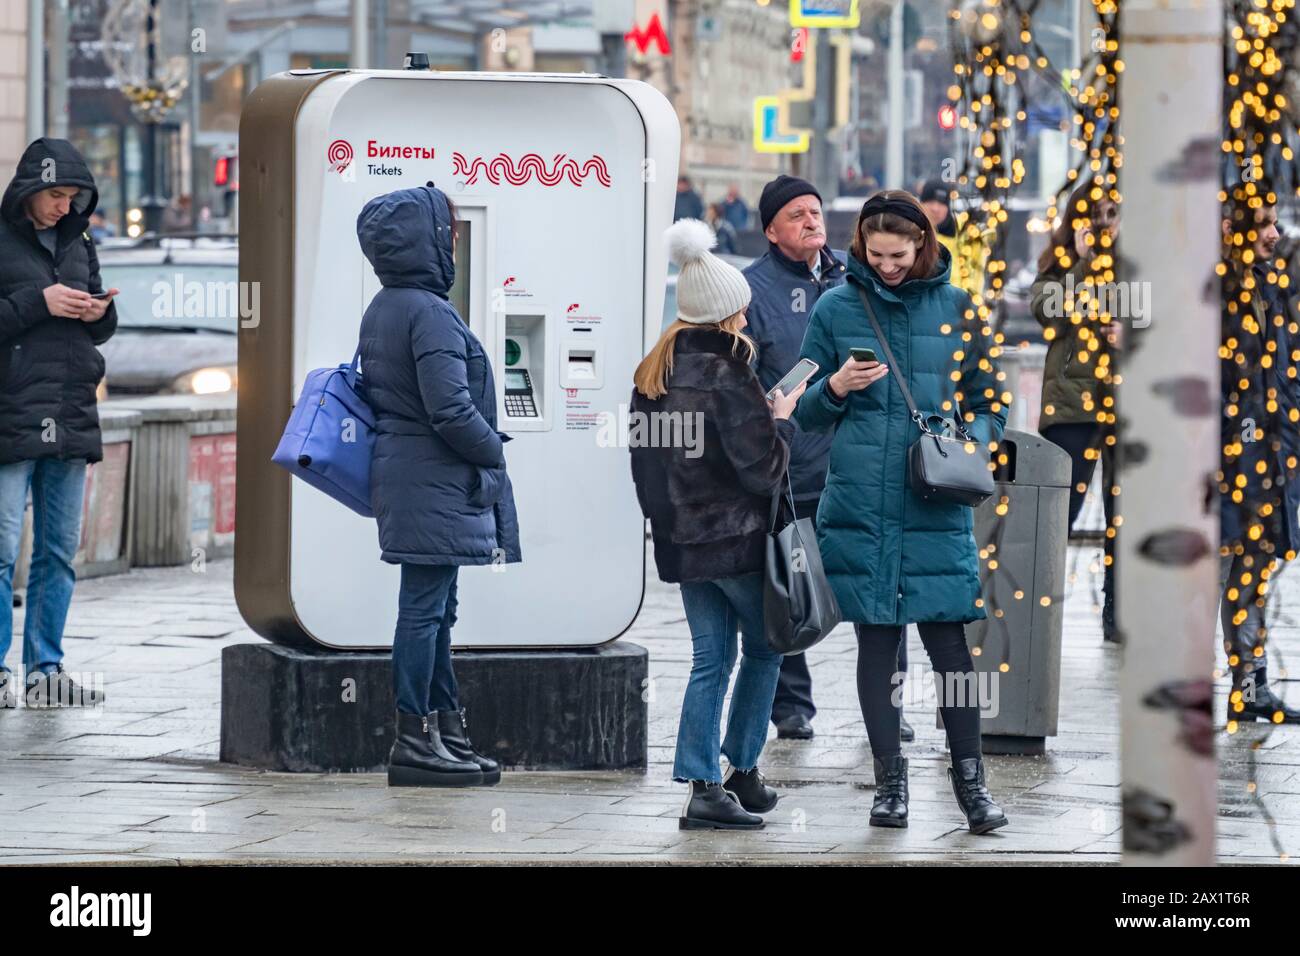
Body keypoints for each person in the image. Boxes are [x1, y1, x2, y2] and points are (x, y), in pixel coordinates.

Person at [794, 190, 1009, 833]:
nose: (886, 264)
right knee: (877, 646)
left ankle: (971, 783)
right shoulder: (836, 307)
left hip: (935, 499)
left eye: (899, 253)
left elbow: (990, 398)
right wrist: (834, 388)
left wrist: (968, 441)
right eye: (875, 253)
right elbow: (799, 410)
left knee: (950, 647)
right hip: (861, 501)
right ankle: (890, 785)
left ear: (923, 246)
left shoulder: (958, 307)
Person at [630, 218, 800, 830]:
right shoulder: (731, 374)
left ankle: (707, 784)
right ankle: (740, 769)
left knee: (710, 660)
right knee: (767, 648)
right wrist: (779, 418)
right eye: (744, 313)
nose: (749, 322)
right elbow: (764, 470)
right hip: (735, 544)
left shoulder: (653, 374)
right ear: (727, 315)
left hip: (683, 543)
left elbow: (643, 469)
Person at [743, 174, 920, 743]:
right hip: (793, 471)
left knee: (880, 587)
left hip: (861, 467)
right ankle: (791, 706)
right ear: (771, 231)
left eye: (815, 211)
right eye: (796, 215)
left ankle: (890, 706)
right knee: (791, 589)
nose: (812, 221)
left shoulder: (857, 275)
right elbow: (744, 383)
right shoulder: (752, 291)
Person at [356, 183, 521, 787]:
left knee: (437, 611)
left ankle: (445, 731)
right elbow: (449, 409)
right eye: (447, 230)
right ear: (426, 241)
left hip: (413, 477)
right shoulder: (428, 311)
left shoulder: (389, 304)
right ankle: (413, 738)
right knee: (424, 612)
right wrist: (493, 454)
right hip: (432, 480)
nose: (452, 240)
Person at [0, 138, 118, 709]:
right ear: (29, 190)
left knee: (56, 553)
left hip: (70, 411)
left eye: (72, 196)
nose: (62, 206)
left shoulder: (82, 240)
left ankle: (45, 671)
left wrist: (102, 311)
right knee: (1, 552)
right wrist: (37, 302)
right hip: (11, 412)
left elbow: (95, 325)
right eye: (54, 195)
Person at [1031, 181, 1124, 643]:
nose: (1103, 224)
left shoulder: (1137, 268)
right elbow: (1049, 312)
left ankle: (1119, 617)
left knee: (1124, 518)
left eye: (1111, 213)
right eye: (1093, 214)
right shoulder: (1057, 265)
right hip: (1072, 406)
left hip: (1127, 407)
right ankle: (1037, 610)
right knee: (1057, 514)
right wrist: (1085, 262)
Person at [1219, 200, 1300, 724]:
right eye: (1263, 224)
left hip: (1271, 456)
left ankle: (1251, 686)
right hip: (1222, 457)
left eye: (1276, 223)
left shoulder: (1277, 287)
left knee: (1254, 570)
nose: (1274, 233)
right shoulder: (1211, 294)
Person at [917, 179, 990, 299]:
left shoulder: (968, 234)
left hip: (958, 306)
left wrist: (968, 303)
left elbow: (977, 274)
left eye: (941, 203)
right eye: (930, 202)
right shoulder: (910, 233)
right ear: (921, 204)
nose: (935, 208)